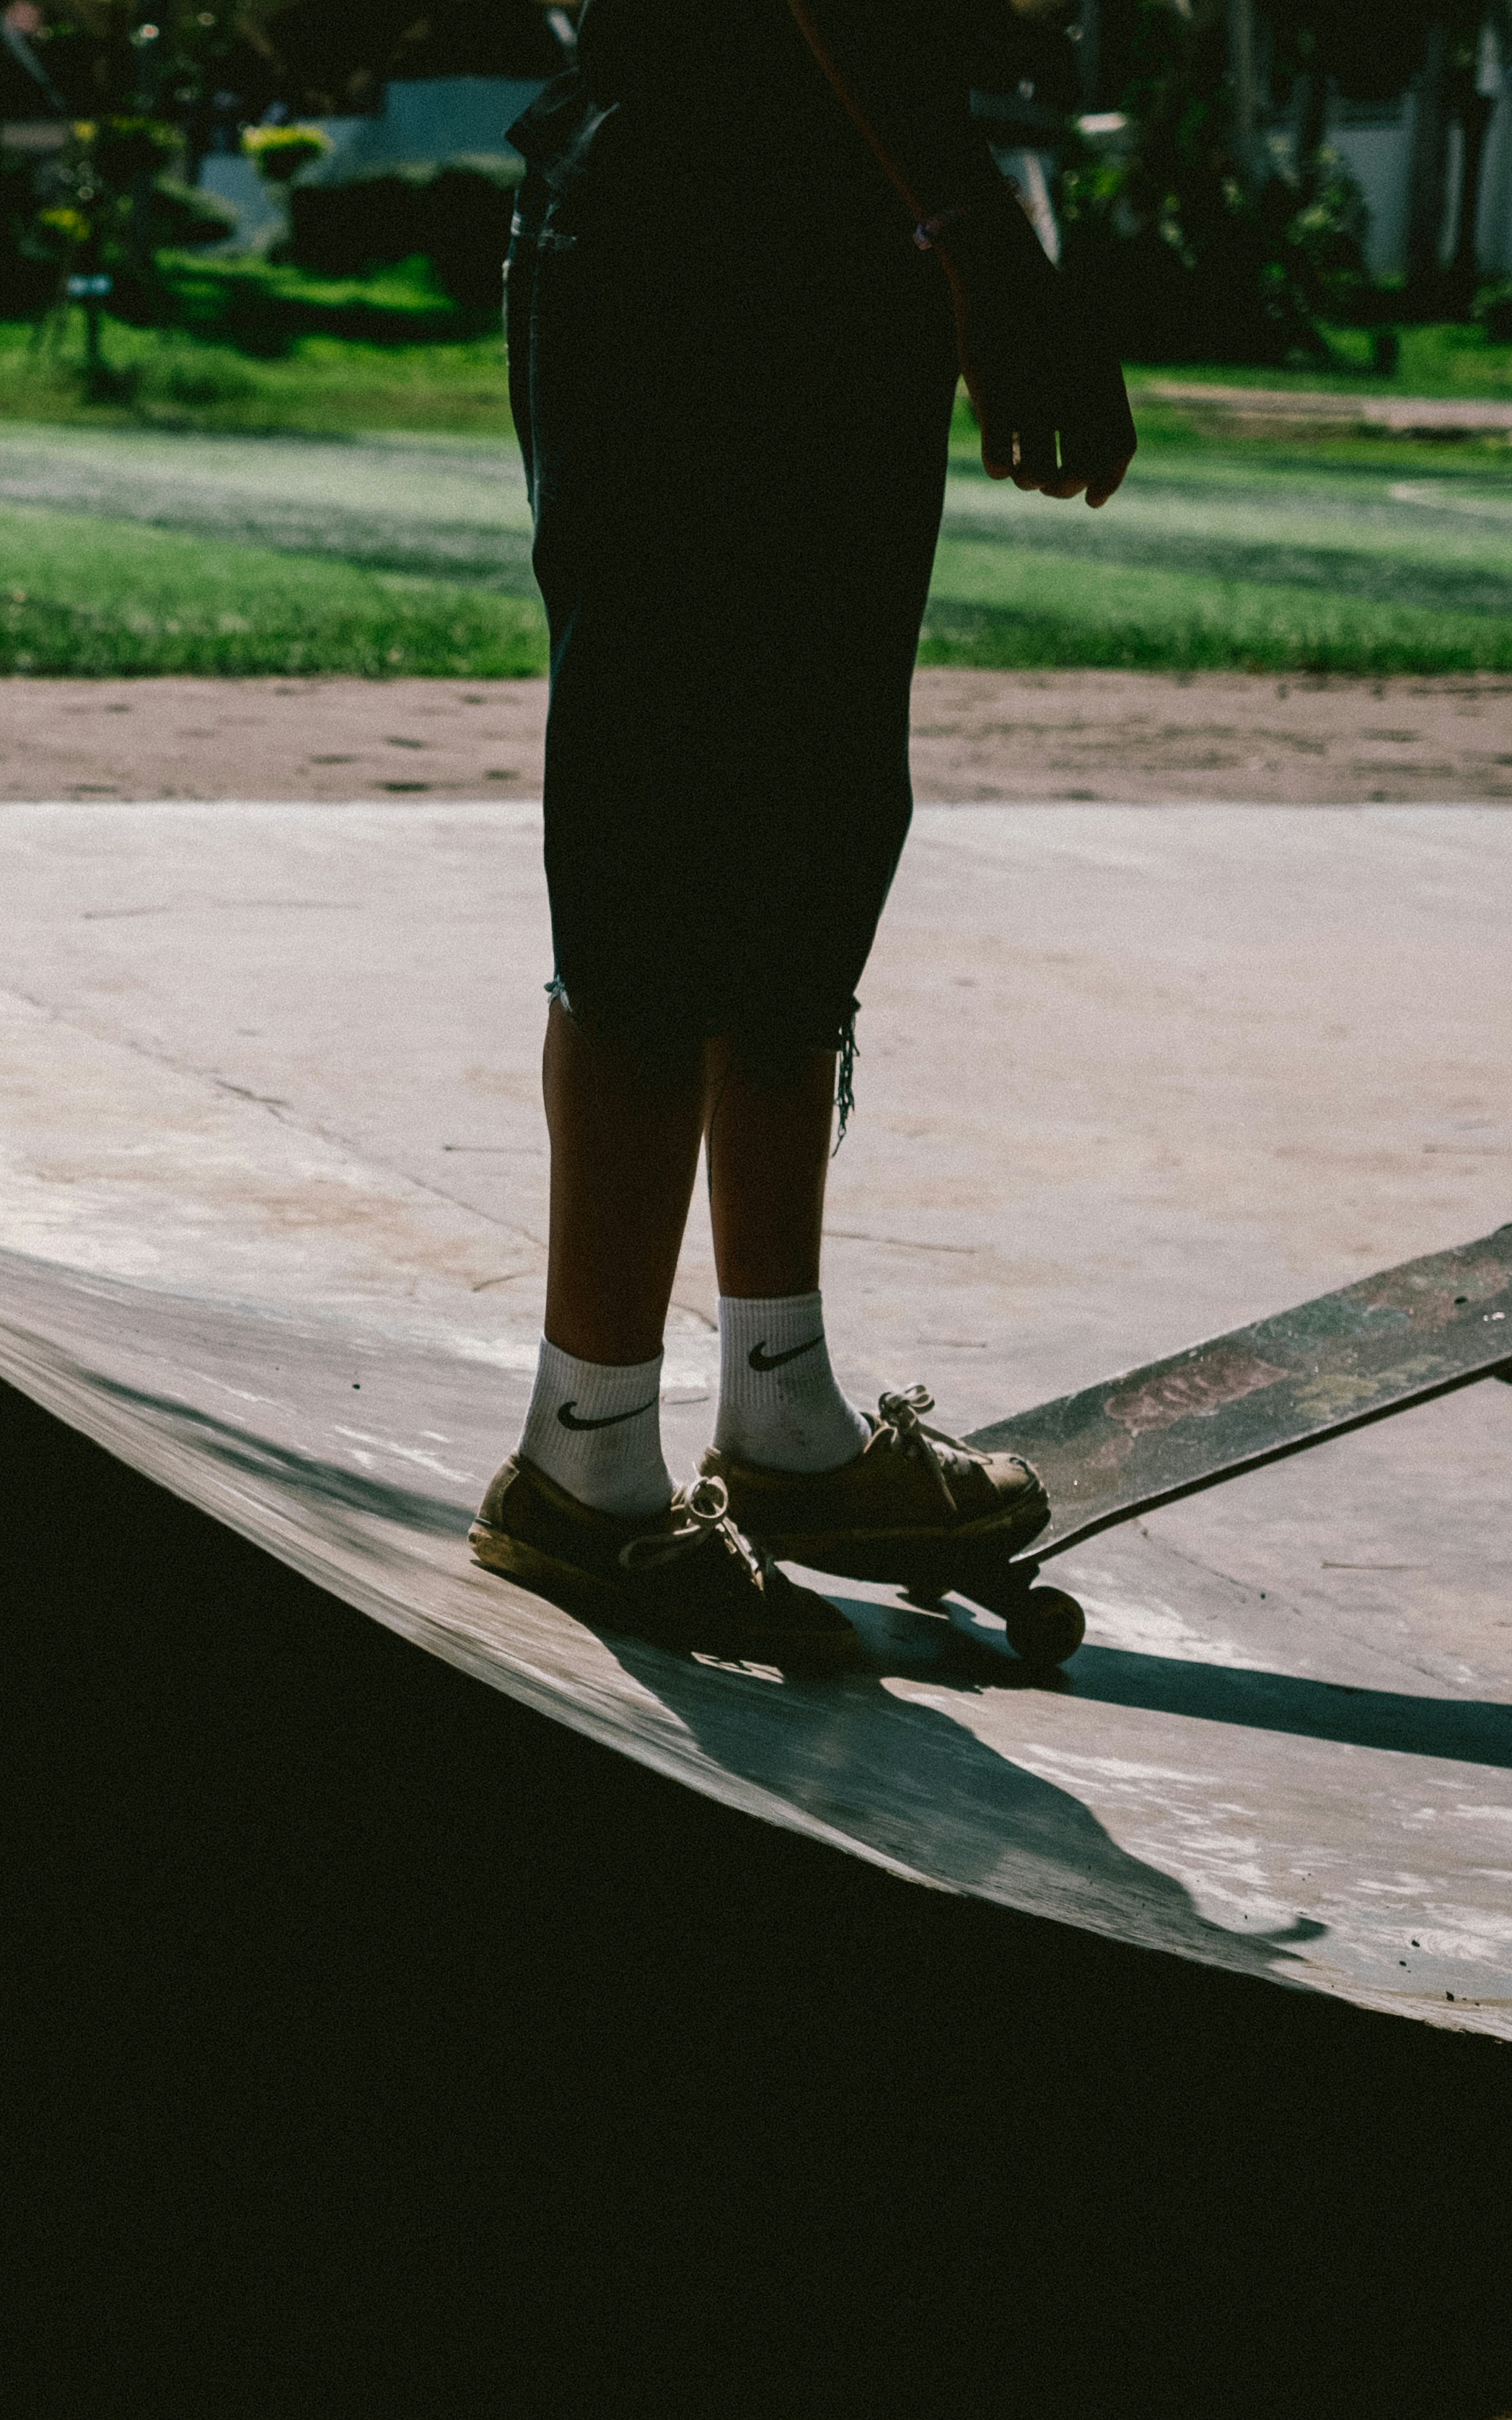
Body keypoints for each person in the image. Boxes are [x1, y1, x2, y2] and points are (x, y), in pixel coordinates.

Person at [467, 0, 1137, 1662]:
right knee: (659, 824)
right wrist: (977, 230)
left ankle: (779, 1414)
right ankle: (583, 1457)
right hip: (694, 214)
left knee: (811, 820)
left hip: (832, 223)